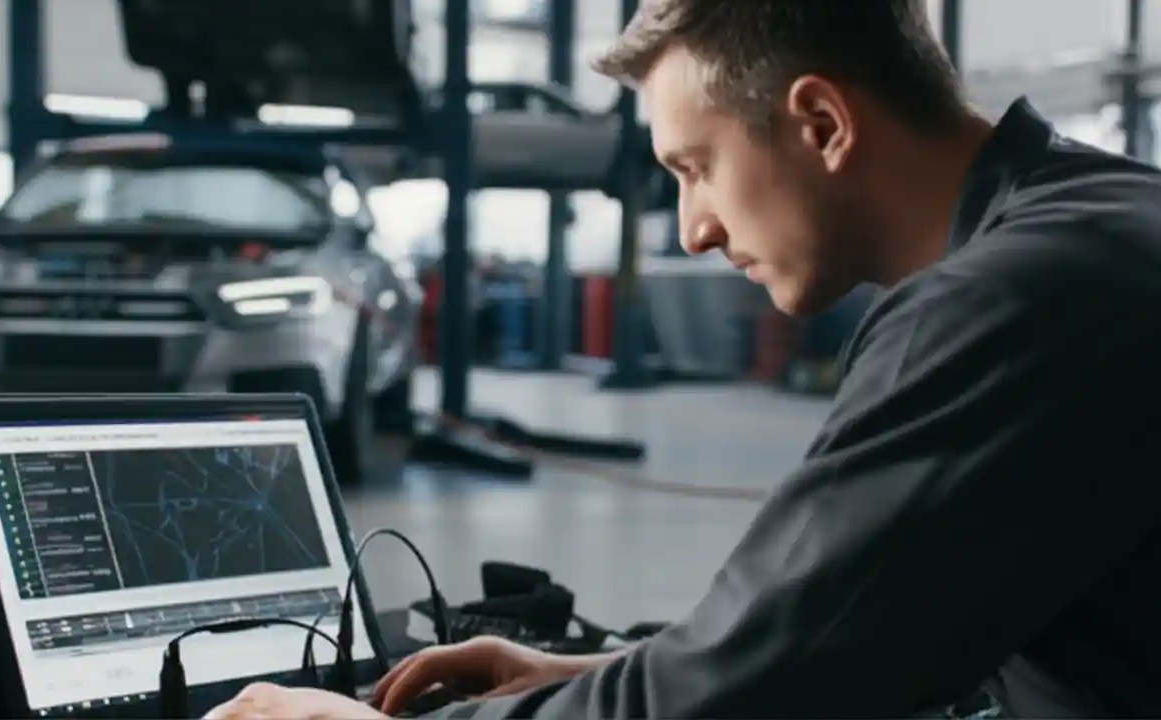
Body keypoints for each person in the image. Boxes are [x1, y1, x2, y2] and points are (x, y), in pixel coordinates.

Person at [205, 0, 1161, 717]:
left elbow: (761, 691)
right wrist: (600, 676)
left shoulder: (1005, 301)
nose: (695, 229)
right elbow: (918, 632)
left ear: (821, 123)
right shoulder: (1108, 218)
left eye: (694, 169)